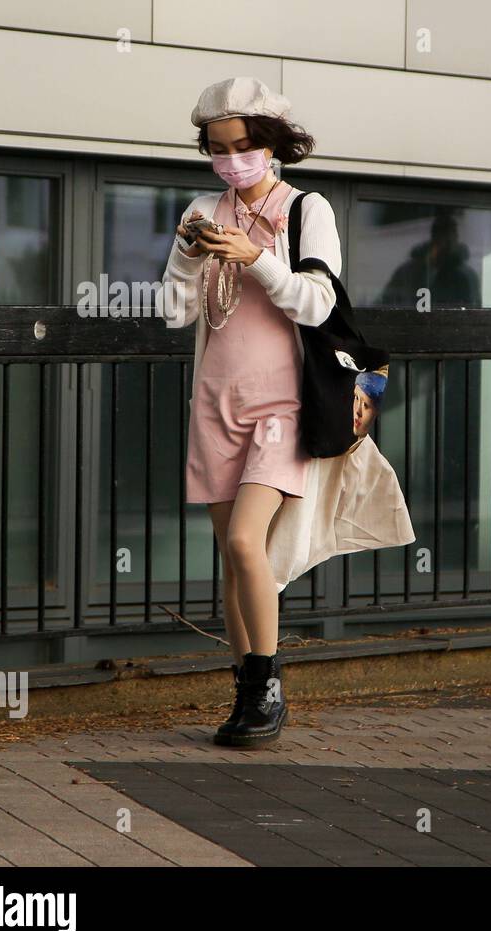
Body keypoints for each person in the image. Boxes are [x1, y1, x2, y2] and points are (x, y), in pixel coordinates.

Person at [162, 77, 343, 748]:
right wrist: (186, 254)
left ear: (270, 144)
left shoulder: (305, 210)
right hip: (214, 405)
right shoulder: (204, 208)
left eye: (242, 146)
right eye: (217, 148)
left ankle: (268, 686)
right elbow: (174, 311)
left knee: (247, 542)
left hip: (282, 404)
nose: (230, 160)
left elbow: (318, 303)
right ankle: (244, 690)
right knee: (233, 560)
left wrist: (258, 259)